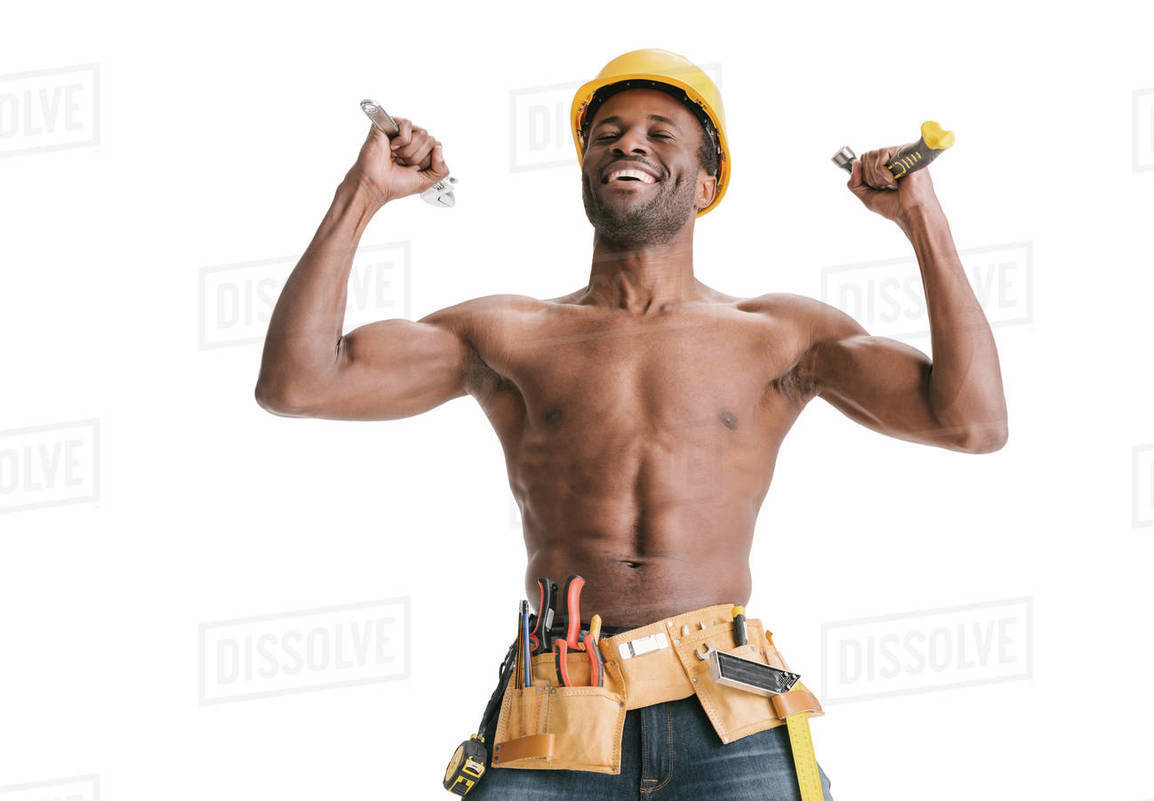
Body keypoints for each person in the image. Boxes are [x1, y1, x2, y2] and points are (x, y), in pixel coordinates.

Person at [255, 49, 1006, 801]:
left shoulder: (779, 334)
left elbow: (972, 421)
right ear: (585, 169)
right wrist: (364, 193)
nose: (629, 143)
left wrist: (920, 217)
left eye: (661, 132)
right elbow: (298, 382)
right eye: (607, 132)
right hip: (555, 714)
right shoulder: (511, 333)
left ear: (708, 182)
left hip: (731, 712)